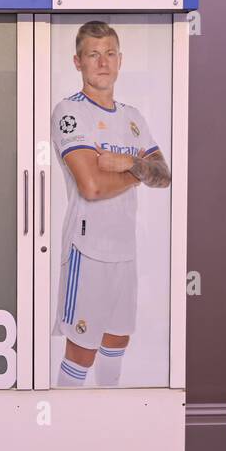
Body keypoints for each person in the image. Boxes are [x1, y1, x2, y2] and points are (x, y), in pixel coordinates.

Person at [51, 20, 170, 388]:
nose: (102, 62)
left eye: (109, 54)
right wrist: (139, 169)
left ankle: (110, 422)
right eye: (93, 55)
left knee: (117, 340)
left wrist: (127, 163)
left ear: (120, 60)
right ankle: (66, 431)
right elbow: (92, 187)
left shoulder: (133, 117)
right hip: (87, 250)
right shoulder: (70, 113)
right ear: (78, 62)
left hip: (125, 250)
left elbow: (163, 175)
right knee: (82, 351)